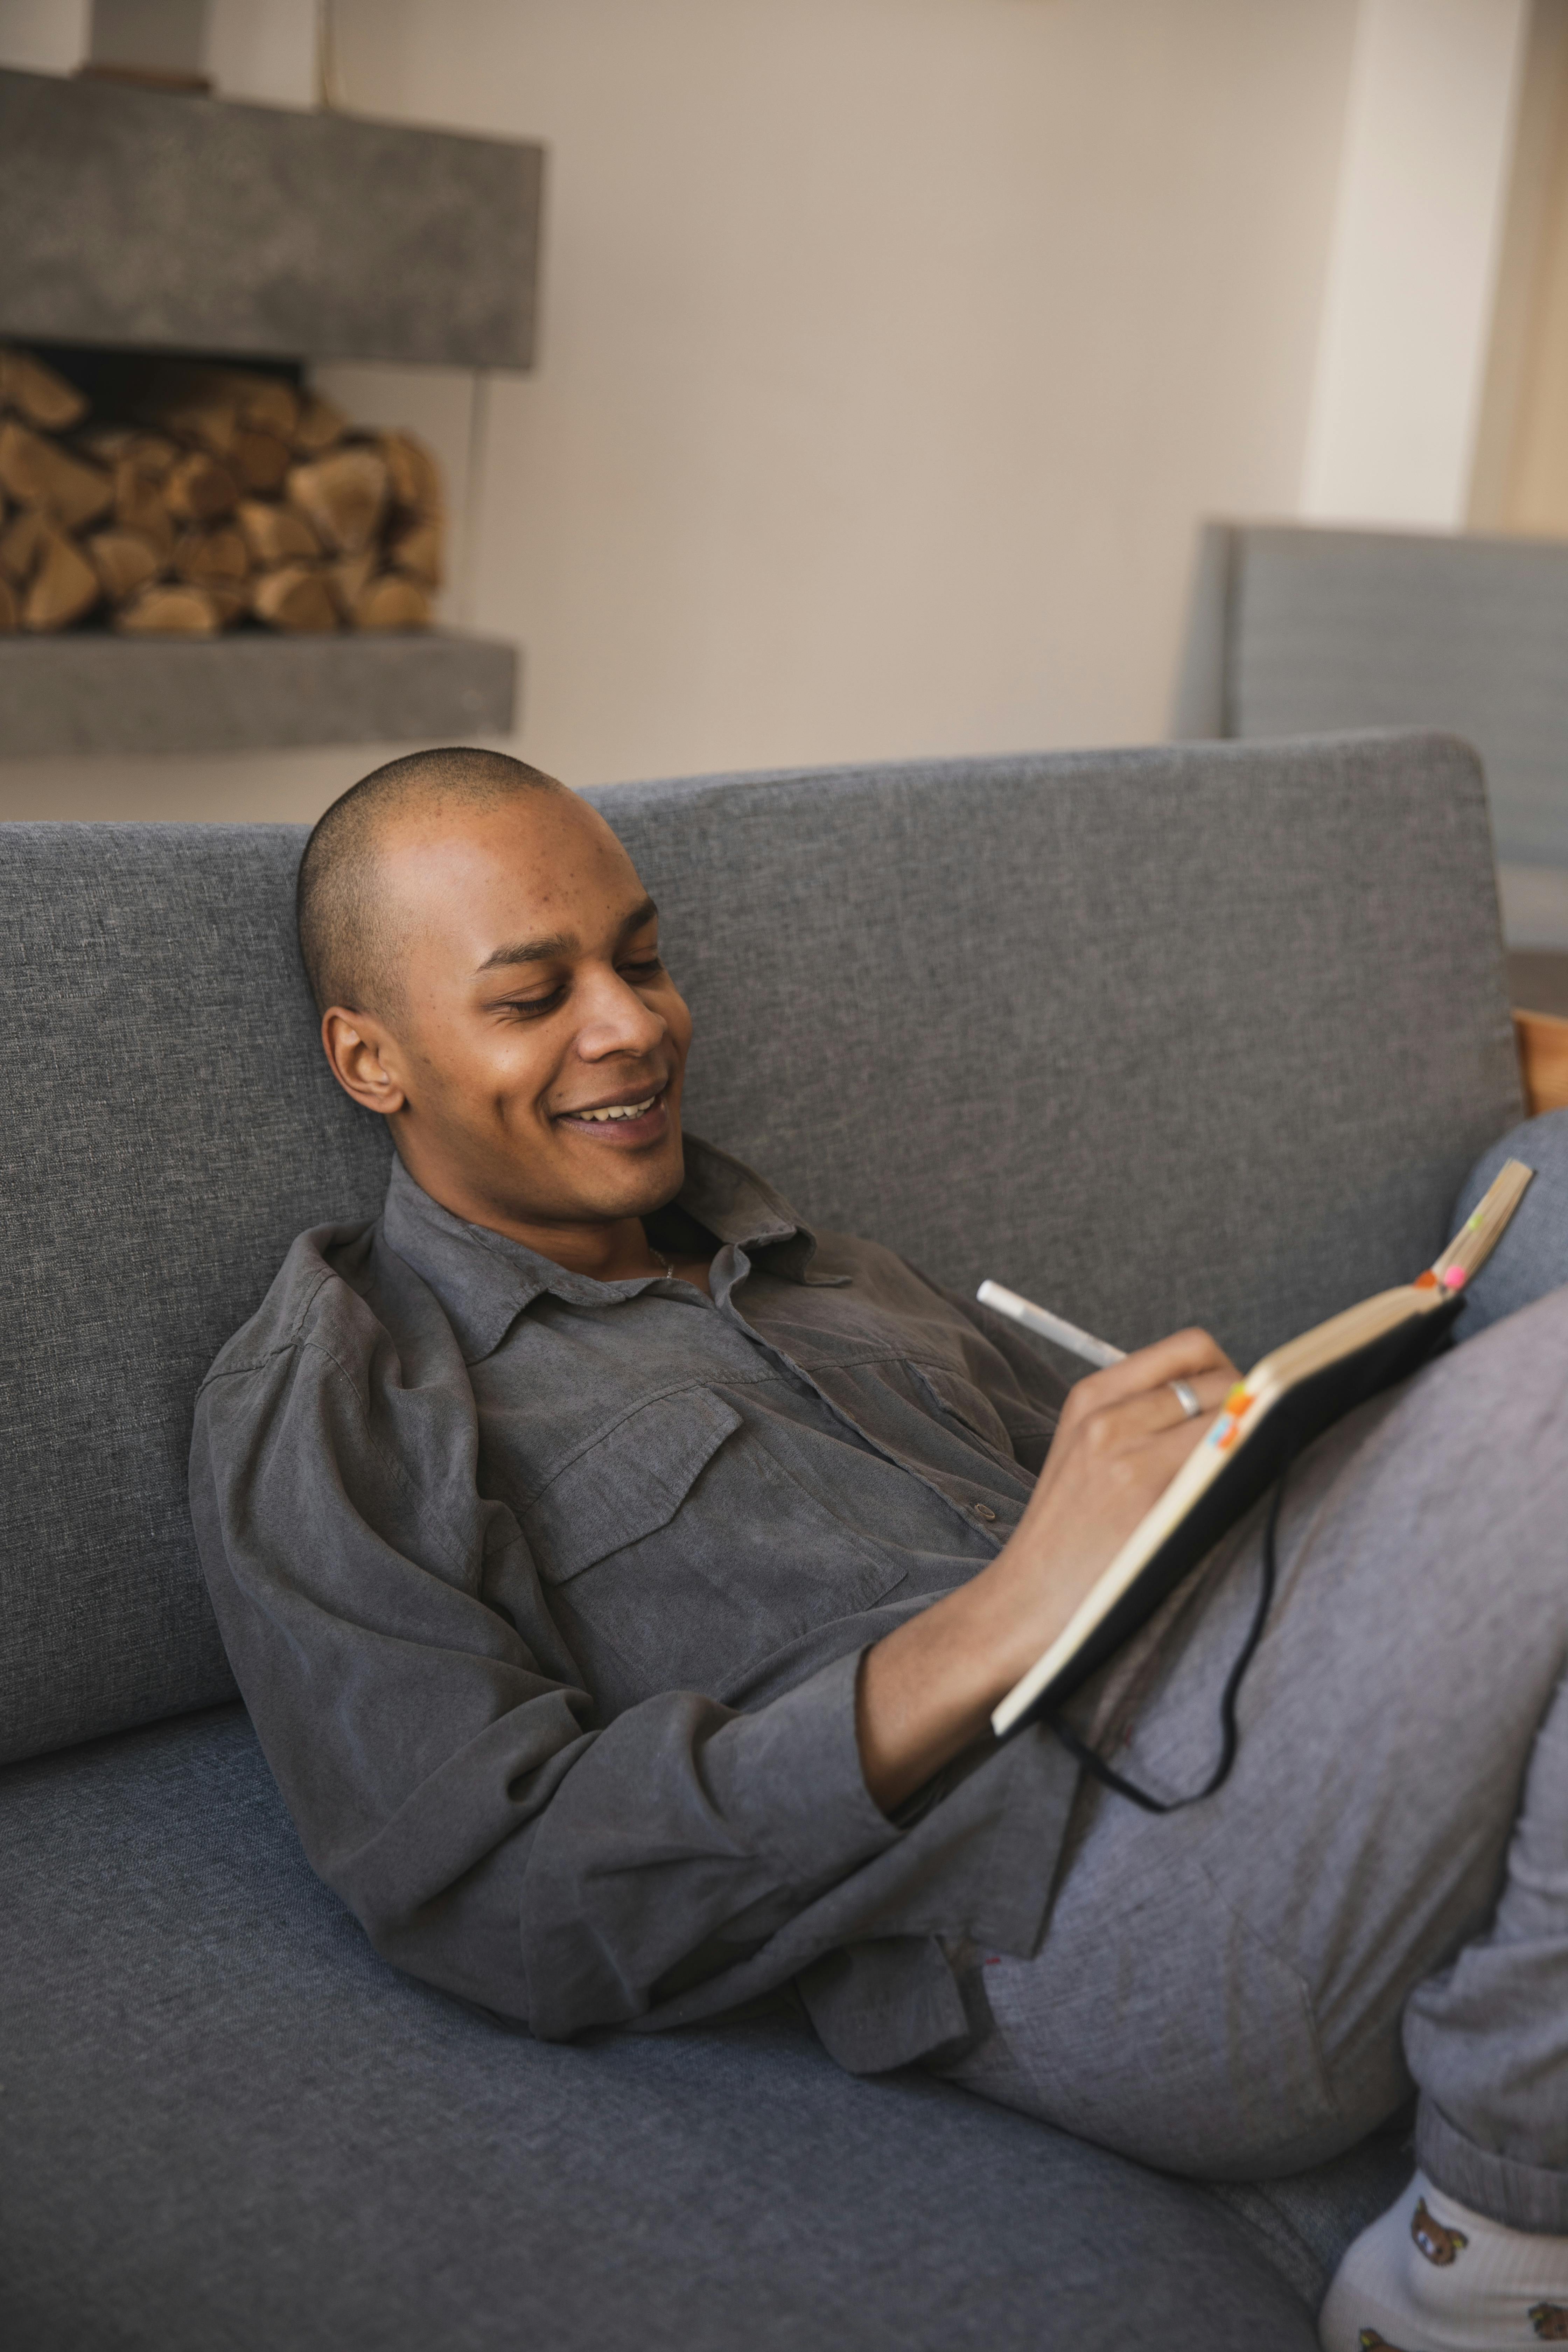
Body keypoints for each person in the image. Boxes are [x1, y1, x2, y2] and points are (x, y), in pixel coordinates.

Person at [189, 748, 1568, 2352]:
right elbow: (496, 1896)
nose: (633, 1026)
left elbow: (1134, 1534)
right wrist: (991, 1628)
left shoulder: (826, 1273)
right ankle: (1485, 2267)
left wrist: (1252, 1449)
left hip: (1241, 1705)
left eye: (639, 958)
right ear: (372, 1058)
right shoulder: (348, 1388)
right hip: (1053, 1909)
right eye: (532, 996)